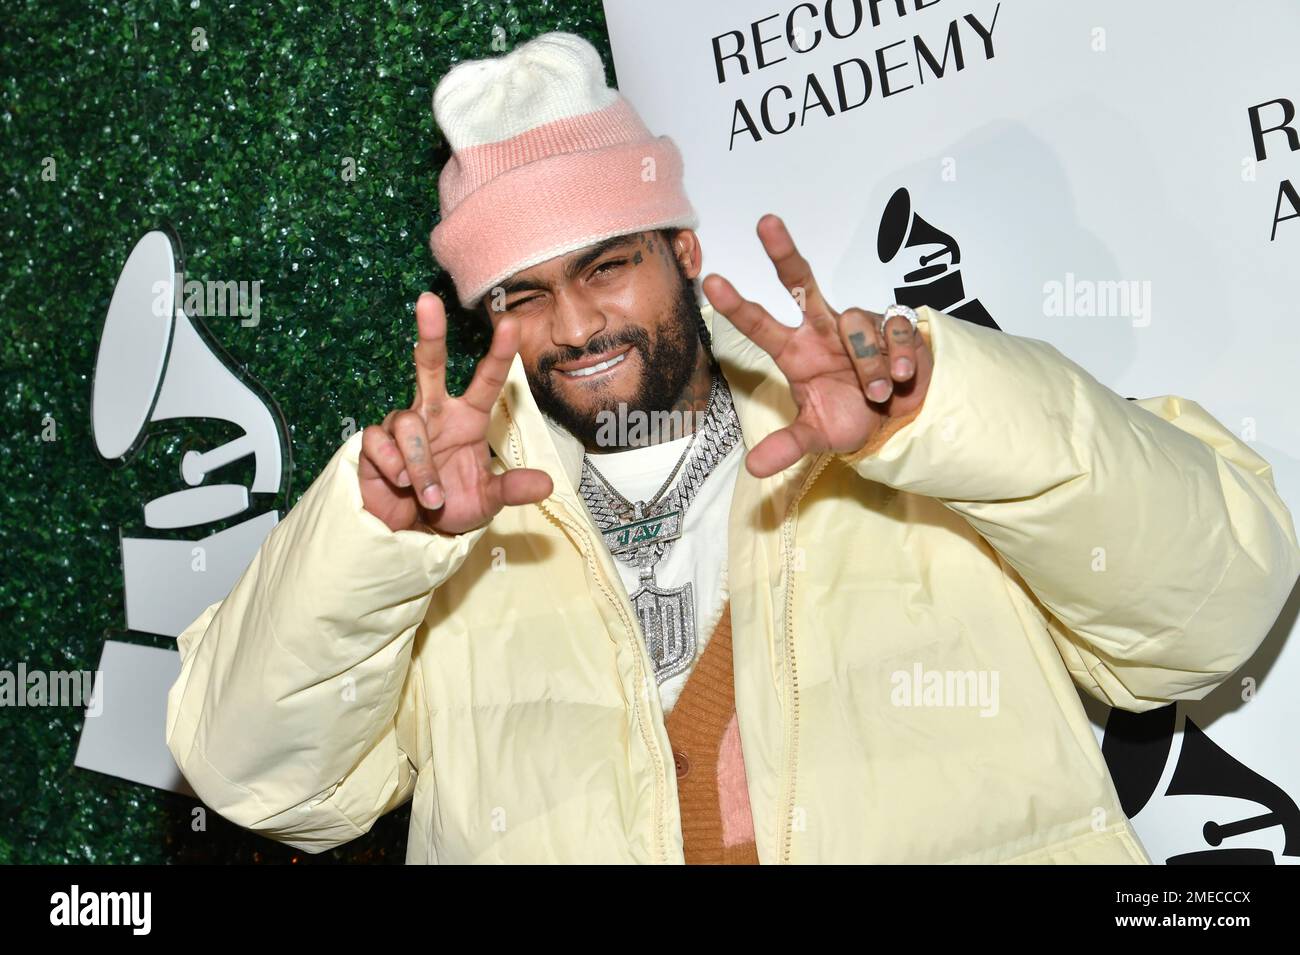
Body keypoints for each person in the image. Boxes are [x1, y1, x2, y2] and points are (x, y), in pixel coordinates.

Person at [165, 31, 1300, 864]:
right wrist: (376, 540)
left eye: (607, 266)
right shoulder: (444, 536)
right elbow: (254, 775)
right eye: (523, 295)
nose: (573, 328)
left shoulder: (908, 441)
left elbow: (1215, 610)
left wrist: (932, 421)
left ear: (681, 244)